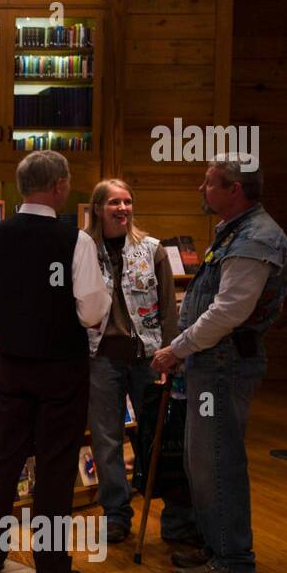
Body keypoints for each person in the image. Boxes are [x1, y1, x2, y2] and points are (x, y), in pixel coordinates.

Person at [0, 151, 111, 573]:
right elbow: (91, 310)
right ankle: (50, 571)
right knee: (55, 466)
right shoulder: (75, 241)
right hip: (62, 367)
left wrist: (13, 328)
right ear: (60, 186)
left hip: (11, 364)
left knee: (4, 458)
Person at [152, 156, 287, 573]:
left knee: (218, 461)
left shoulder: (257, 237)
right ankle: (218, 547)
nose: (201, 189)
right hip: (212, 363)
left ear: (234, 189)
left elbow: (229, 311)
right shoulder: (236, 230)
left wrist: (177, 348)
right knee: (204, 462)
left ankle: (234, 559)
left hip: (224, 363)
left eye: (209, 183)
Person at [83, 180, 179, 544]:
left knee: (158, 436)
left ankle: (175, 513)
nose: (122, 208)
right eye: (113, 202)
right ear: (97, 208)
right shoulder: (83, 250)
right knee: (107, 438)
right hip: (101, 357)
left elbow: (169, 305)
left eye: (127, 202)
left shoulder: (152, 249)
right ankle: (116, 513)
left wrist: (172, 352)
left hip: (147, 357)